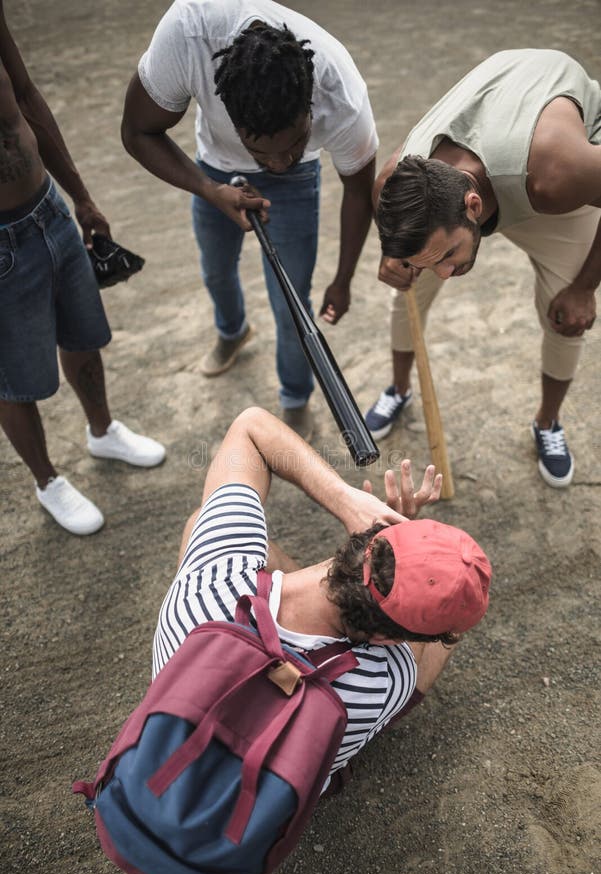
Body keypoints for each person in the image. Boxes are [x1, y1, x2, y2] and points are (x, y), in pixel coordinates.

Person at [153, 406, 491, 792]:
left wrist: (350, 505)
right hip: (259, 799)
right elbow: (406, 632)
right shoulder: (384, 683)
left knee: (203, 521)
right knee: (444, 636)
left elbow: (251, 426)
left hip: (163, 754)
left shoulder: (216, 568)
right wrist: (423, 588)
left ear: (362, 541)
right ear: (385, 642)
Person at [121, 0, 378, 441]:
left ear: (309, 105)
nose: (278, 163)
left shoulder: (342, 95)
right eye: (262, 151)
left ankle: (295, 399)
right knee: (216, 270)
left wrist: (344, 279)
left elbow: (358, 191)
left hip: (299, 189)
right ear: (228, 112)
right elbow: (136, 131)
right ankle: (232, 330)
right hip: (214, 170)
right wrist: (207, 188)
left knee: (291, 303)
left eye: (296, 142)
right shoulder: (189, 31)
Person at [365, 49, 600, 488]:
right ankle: (398, 389)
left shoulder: (557, 174)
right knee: (409, 289)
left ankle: (547, 424)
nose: (445, 274)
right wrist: (397, 259)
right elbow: (407, 239)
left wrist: (586, 287)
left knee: (566, 314)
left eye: (447, 257)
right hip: (495, 151)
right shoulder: (393, 185)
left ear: (474, 206)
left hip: (546, 177)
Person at [0, 0, 165, 536]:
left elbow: (25, 96)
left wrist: (80, 195)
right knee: (13, 379)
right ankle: (47, 481)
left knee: (82, 334)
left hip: (47, 208)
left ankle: (102, 430)